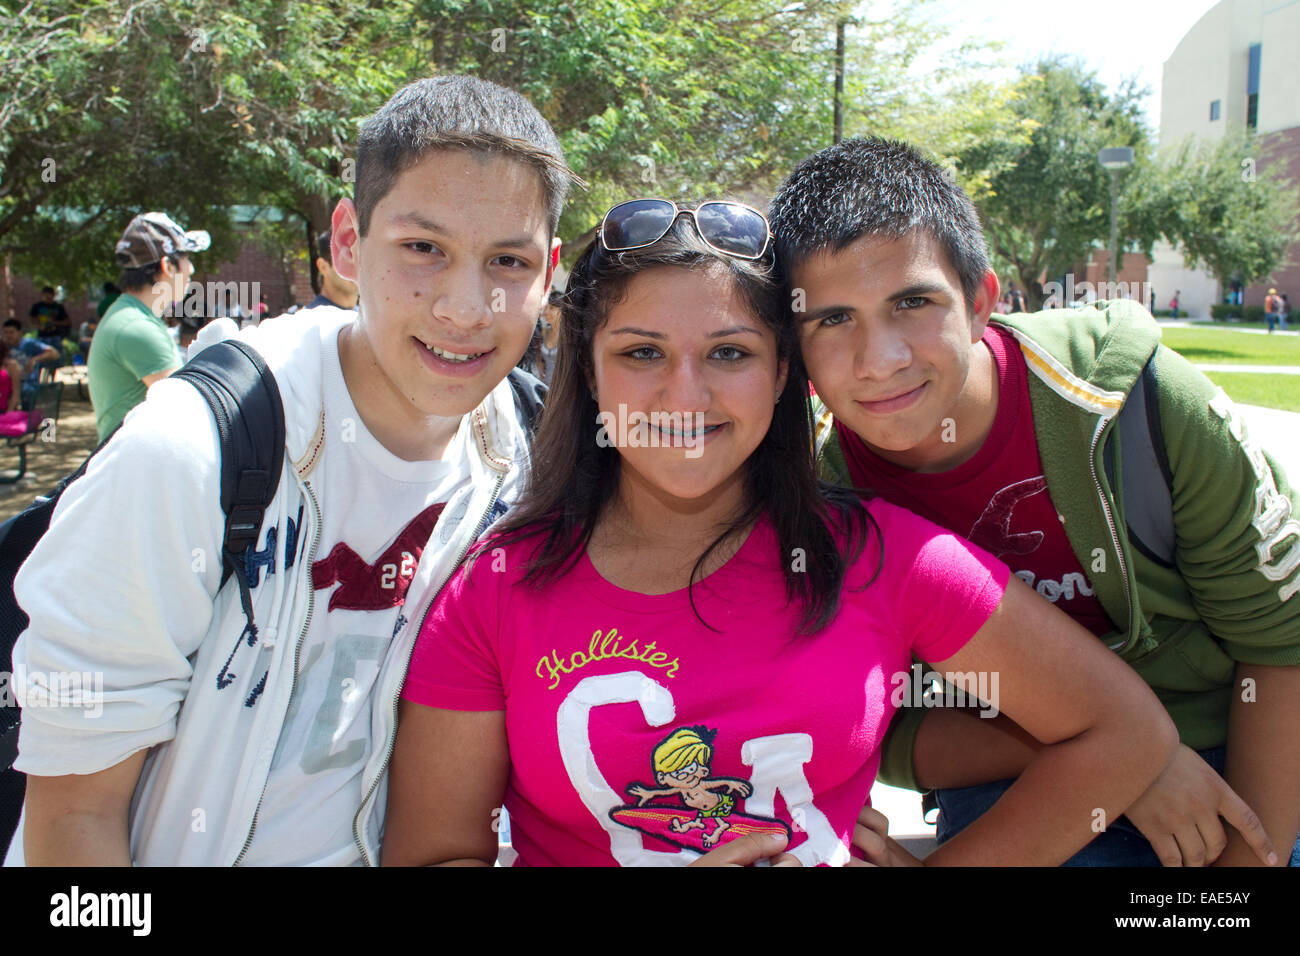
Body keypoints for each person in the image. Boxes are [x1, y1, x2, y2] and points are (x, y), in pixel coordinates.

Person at [382, 199, 1176, 867]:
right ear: (587, 372)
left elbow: (1123, 730)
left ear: (785, 373)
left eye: (730, 352)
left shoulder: (883, 558)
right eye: (642, 352)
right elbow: (431, 853)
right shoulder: (492, 594)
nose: (683, 393)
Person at [7, 74, 573, 867]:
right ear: (347, 242)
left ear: (547, 272)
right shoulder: (195, 450)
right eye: (423, 249)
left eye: (507, 261)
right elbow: (72, 819)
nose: (465, 307)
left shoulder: (533, 461)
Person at [769, 136, 1300, 867]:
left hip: (1233, 743)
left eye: (913, 302)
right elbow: (881, 727)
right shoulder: (812, 494)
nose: (880, 358)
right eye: (832, 319)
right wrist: (1117, 755)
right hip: (1009, 761)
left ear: (982, 301)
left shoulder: (1141, 405)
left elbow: (1281, 647)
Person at [85, 212, 206, 442]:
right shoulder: (138, 328)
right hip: (136, 474)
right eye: (187, 257)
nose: (191, 268)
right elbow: (187, 412)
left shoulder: (129, 316)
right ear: (168, 266)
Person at [0, 320, 58, 409]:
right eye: (6, 333)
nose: (8, 335)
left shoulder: (29, 344)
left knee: (26, 391)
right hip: (9, 382)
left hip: (28, 381)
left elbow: (54, 354)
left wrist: (34, 359)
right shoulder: (4, 346)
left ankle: (26, 416)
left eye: (11, 332)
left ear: (19, 332)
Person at [307, 230, 359, 311]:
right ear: (323, 267)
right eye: (348, 257)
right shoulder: (306, 321)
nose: (358, 267)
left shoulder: (371, 320)